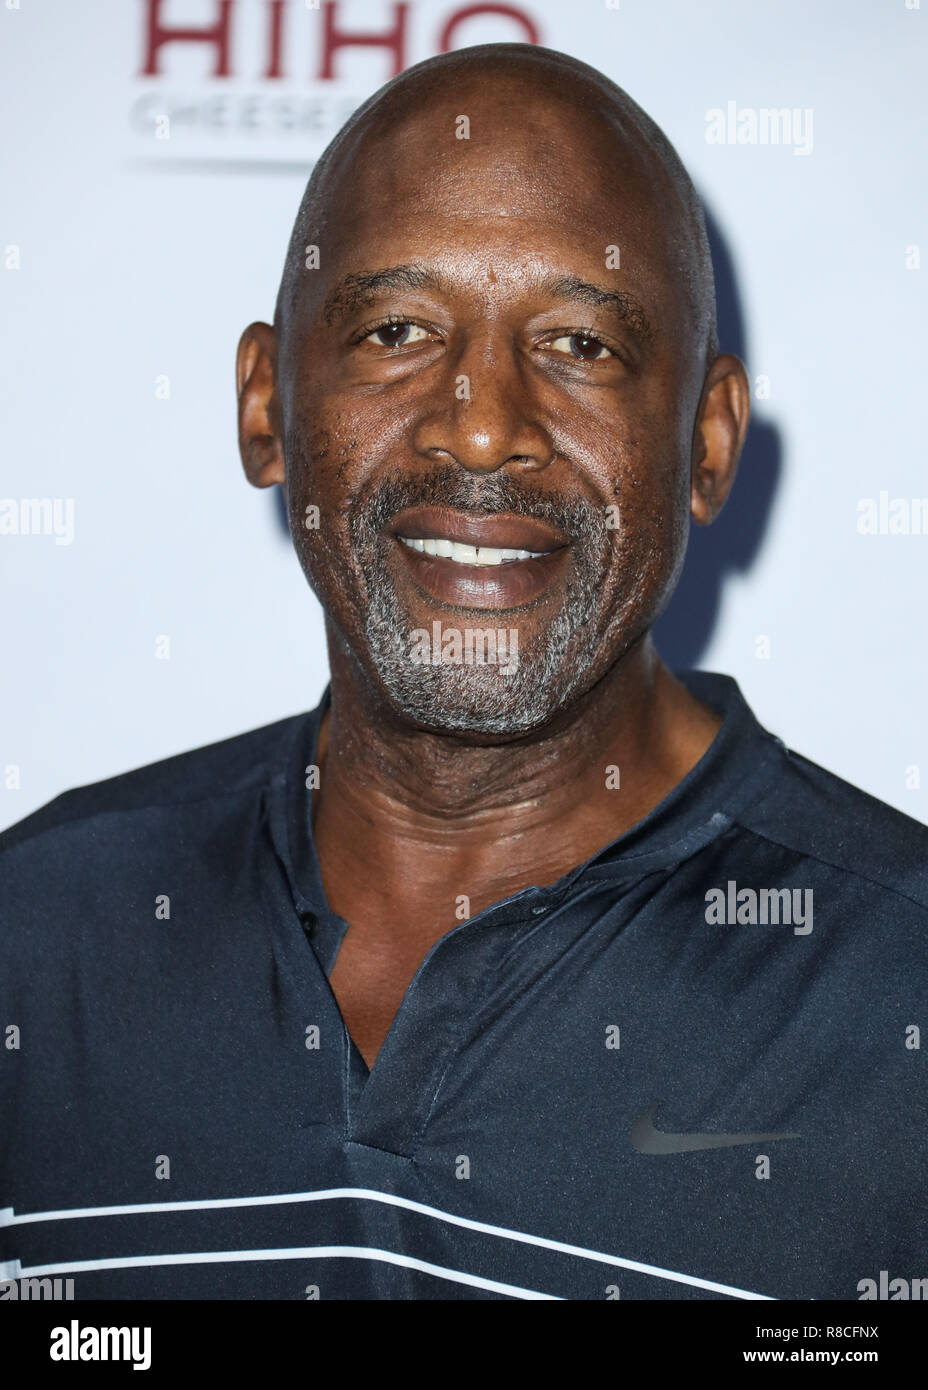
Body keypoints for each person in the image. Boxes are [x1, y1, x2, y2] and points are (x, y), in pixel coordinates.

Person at [1, 43, 925, 1303]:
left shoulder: (896, 995)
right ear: (265, 408)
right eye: (396, 329)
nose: (482, 423)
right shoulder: (38, 931)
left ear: (706, 446)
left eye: (580, 346)